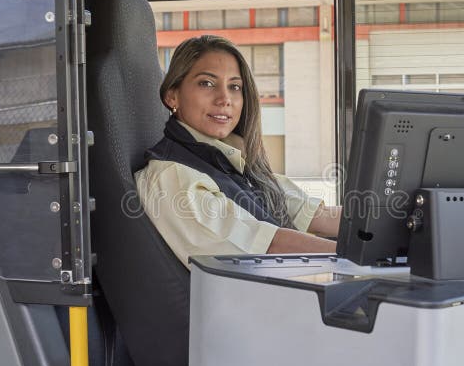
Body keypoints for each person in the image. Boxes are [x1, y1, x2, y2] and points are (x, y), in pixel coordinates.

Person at [136, 35, 341, 267]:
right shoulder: (172, 176)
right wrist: (356, 258)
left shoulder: (231, 163)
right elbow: (266, 246)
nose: (225, 99)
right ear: (172, 95)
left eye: (235, 87)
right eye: (207, 83)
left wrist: (387, 221)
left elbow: (318, 216)